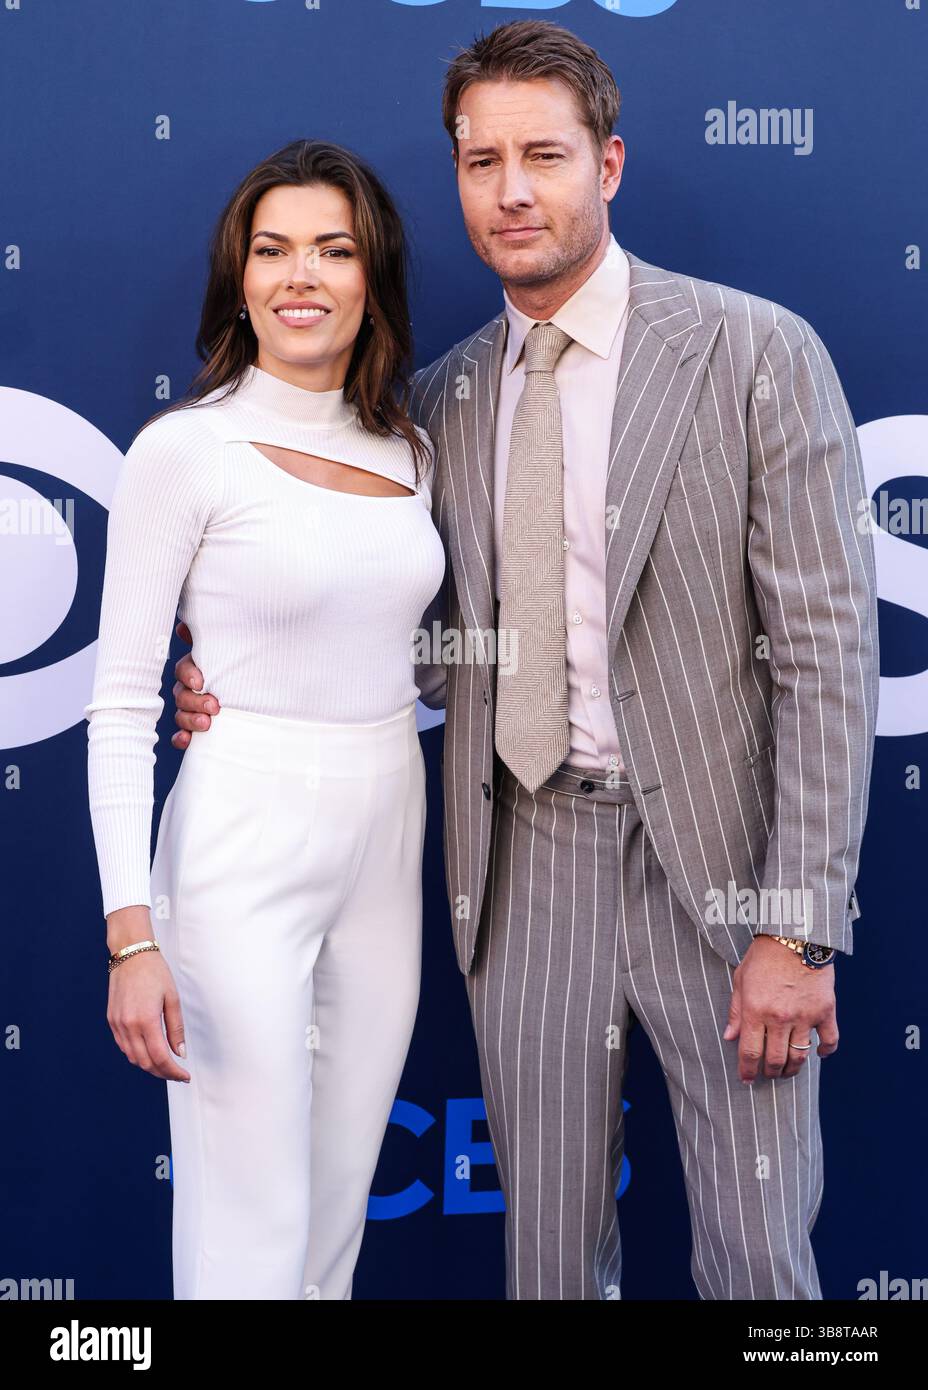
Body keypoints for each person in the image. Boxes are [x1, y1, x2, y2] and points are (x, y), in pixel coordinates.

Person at [172, 20, 879, 1300]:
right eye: (480, 159)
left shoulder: (753, 354)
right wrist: (238, 679)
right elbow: (428, 643)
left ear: (607, 165)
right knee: (547, 1266)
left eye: (542, 156)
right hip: (525, 868)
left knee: (760, 1262)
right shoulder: (437, 400)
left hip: (722, 884)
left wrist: (800, 928)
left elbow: (831, 658)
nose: (510, 190)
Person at [83, 139, 445, 1300]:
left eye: (333, 250)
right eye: (272, 249)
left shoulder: (412, 449)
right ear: (238, 280)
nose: (302, 276)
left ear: (370, 275)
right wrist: (131, 934)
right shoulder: (186, 449)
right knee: (250, 1218)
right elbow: (124, 697)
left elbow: (411, 653)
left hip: (389, 831)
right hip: (240, 836)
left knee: (336, 1212)